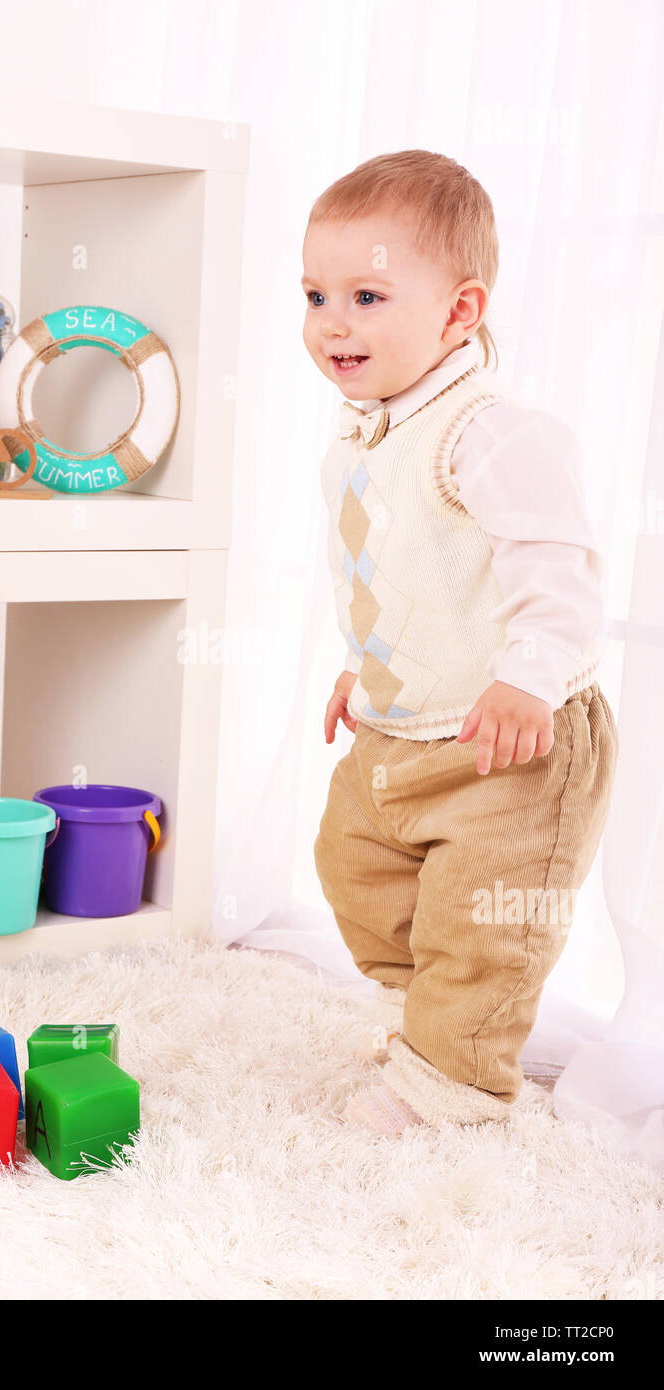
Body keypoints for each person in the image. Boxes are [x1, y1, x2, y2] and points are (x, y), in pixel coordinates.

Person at [307, 150, 618, 1135]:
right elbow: (403, 581)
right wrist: (361, 671)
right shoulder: (367, 434)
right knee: (355, 866)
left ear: (458, 312)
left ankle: (454, 1088)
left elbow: (555, 566)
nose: (332, 322)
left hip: (506, 743)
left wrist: (527, 681)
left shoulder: (484, 433)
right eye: (313, 294)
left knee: (480, 918)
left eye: (365, 293)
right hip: (401, 730)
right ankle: (419, 1019)